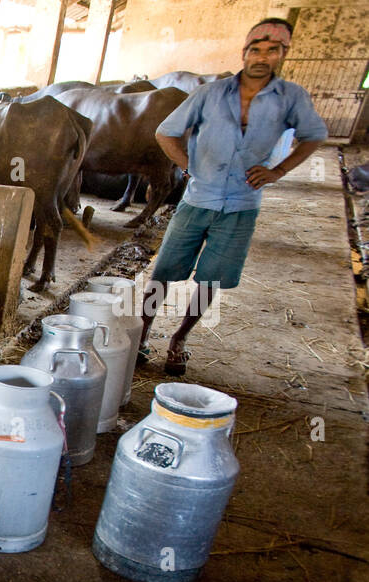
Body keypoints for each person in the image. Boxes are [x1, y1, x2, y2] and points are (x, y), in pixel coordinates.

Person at [137, 17, 327, 376]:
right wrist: (190, 166)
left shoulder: (292, 98)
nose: (262, 56)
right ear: (245, 52)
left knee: (210, 278)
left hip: (241, 205)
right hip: (196, 200)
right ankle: (141, 334)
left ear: (283, 54)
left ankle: (179, 339)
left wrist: (278, 171)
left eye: (273, 50)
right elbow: (166, 132)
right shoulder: (209, 94)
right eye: (256, 49)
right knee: (162, 272)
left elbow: (315, 135)